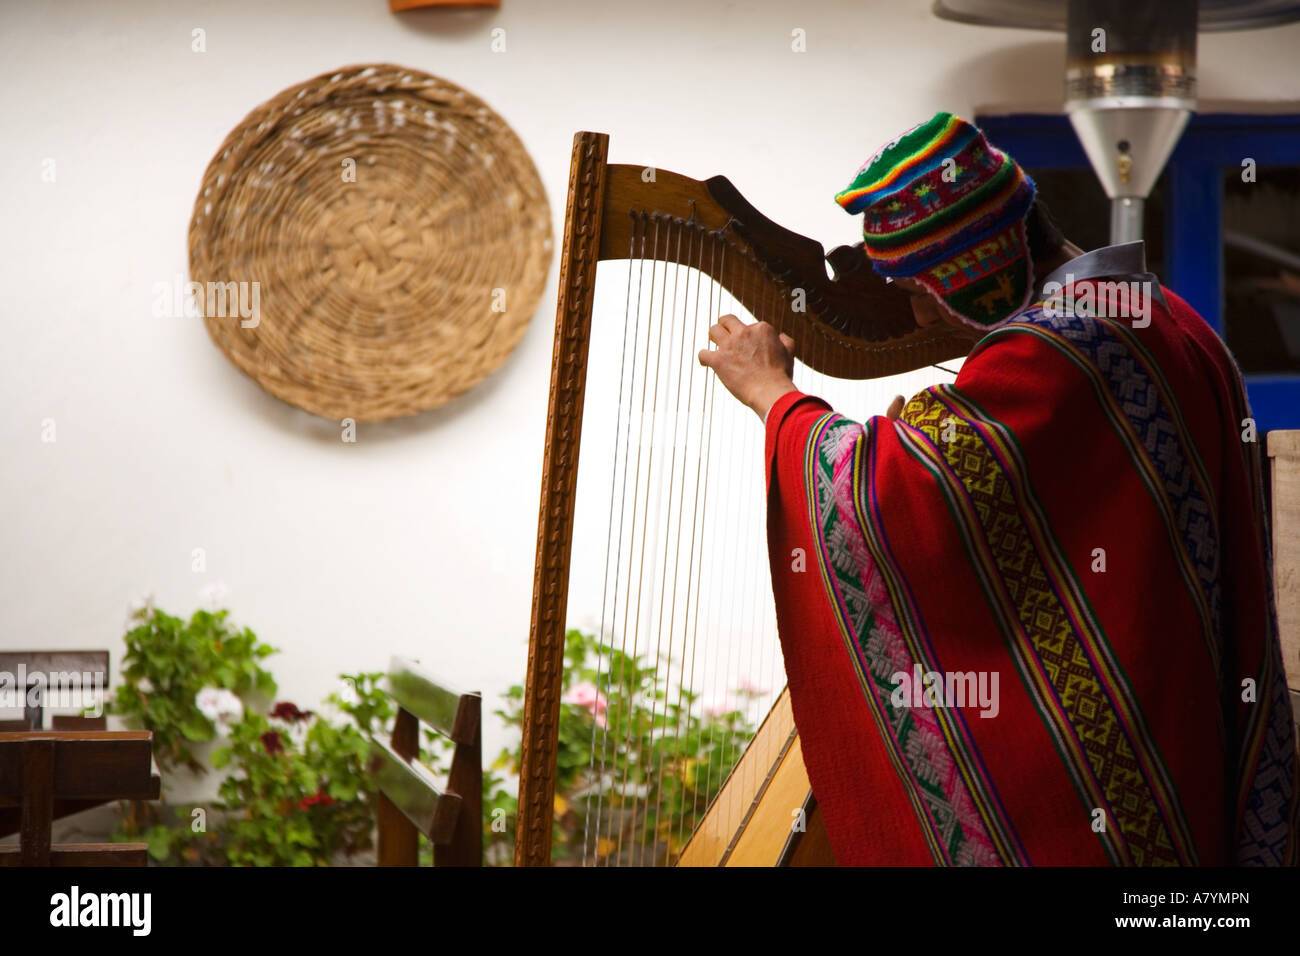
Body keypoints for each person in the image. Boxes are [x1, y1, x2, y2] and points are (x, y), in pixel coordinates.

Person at [698, 112, 1298, 866]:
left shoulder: (1057, 353)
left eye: (917, 291)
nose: (915, 314)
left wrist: (773, 396)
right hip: (1179, 732)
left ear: (975, 275)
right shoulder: (1161, 316)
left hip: (1107, 797)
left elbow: (886, 503)